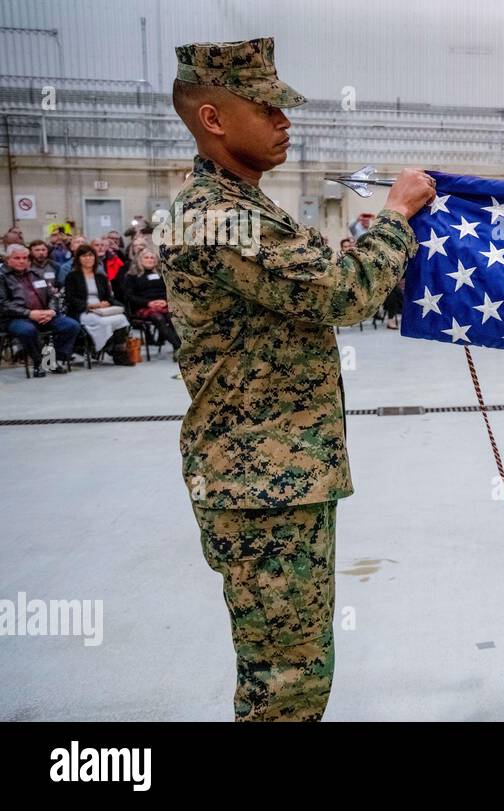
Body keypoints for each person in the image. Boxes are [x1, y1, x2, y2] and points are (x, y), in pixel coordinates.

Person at [162, 37, 433, 721]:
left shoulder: (242, 206)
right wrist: (396, 214)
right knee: (285, 683)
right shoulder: (220, 217)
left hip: (278, 478)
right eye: (268, 109)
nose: (285, 122)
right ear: (213, 119)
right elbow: (344, 291)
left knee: (294, 672)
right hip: (263, 489)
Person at [0, 244, 78, 376]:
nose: (21, 261)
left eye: (24, 258)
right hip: (15, 318)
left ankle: (52, 360)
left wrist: (51, 311)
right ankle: (39, 363)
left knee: (71, 326)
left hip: (43, 314)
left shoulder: (35, 274)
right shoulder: (2, 277)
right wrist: (29, 313)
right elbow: (3, 304)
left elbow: (52, 295)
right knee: (28, 331)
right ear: (8, 259)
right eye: (17, 258)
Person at [64, 243, 133, 365]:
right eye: (84, 256)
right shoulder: (72, 276)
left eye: (91, 256)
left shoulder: (100, 276)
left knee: (122, 318)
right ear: (78, 259)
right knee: (102, 322)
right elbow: (70, 298)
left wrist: (107, 302)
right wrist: (90, 306)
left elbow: (108, 296)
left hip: (102, 308)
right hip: (83, 310)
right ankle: (104, 347)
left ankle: (118, 353)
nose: (88, 259)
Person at [118, 247, 181, 352]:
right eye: (146, 257)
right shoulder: (131, 276)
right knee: (159, 318)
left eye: (152, 257)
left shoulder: (162, 274)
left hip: (164, 304)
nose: (150, 260)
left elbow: (170, 291)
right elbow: (129, 296)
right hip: (143, 307)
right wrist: (148, 303)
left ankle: (177, 349)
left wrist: (165, 301)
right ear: (140, 259)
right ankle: (179, 347)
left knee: (173, 318)